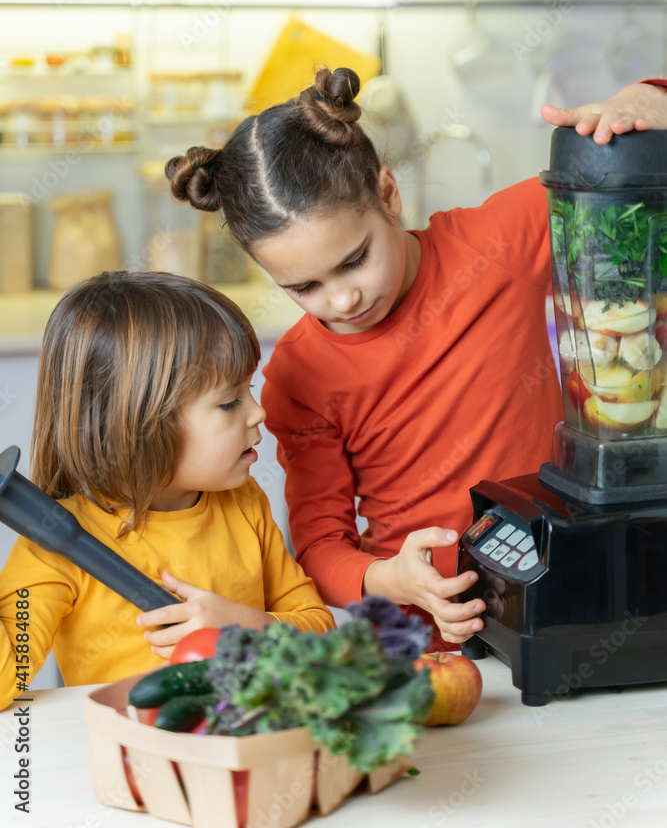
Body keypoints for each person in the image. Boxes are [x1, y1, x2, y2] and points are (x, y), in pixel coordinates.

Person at [166, 71, 667, 651]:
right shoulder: (299, 376)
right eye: (304, 287)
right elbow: (320, 547)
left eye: (354, 260)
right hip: (420, 643)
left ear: (387, 193)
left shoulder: (494, 244)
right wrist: (391, 579)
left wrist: (635, 105)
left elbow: (612, 163)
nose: (342, 299)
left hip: (560, 608)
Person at [0, 271, 334, 710]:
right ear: (137, 426)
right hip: (126, 758)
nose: (258, 413)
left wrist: (245, 628)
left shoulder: (245, 503)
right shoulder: (51, 547)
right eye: (229, 401)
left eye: (248, 389)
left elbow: (320, 632)